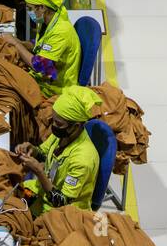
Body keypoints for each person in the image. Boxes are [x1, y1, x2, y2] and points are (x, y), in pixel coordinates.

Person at [14, 86, 103, 215]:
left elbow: (60, 201)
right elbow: (44, 154)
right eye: (54, 121)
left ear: (76, 126)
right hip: (43, 192)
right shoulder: (63, 134)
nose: (54, 127)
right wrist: (31, 149)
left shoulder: (83, 159)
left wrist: (39, 172)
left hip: (64, 212)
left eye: (59, 124)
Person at [9, 0, 81, 96]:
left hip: (54, 89)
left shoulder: (61, 32)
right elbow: (38, 45)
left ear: (42, 7)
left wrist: (15, 44)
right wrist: (21, 43)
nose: (29, 12)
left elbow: (39, 66)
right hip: (44, 79)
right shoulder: (50, 18)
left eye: (30, 8)